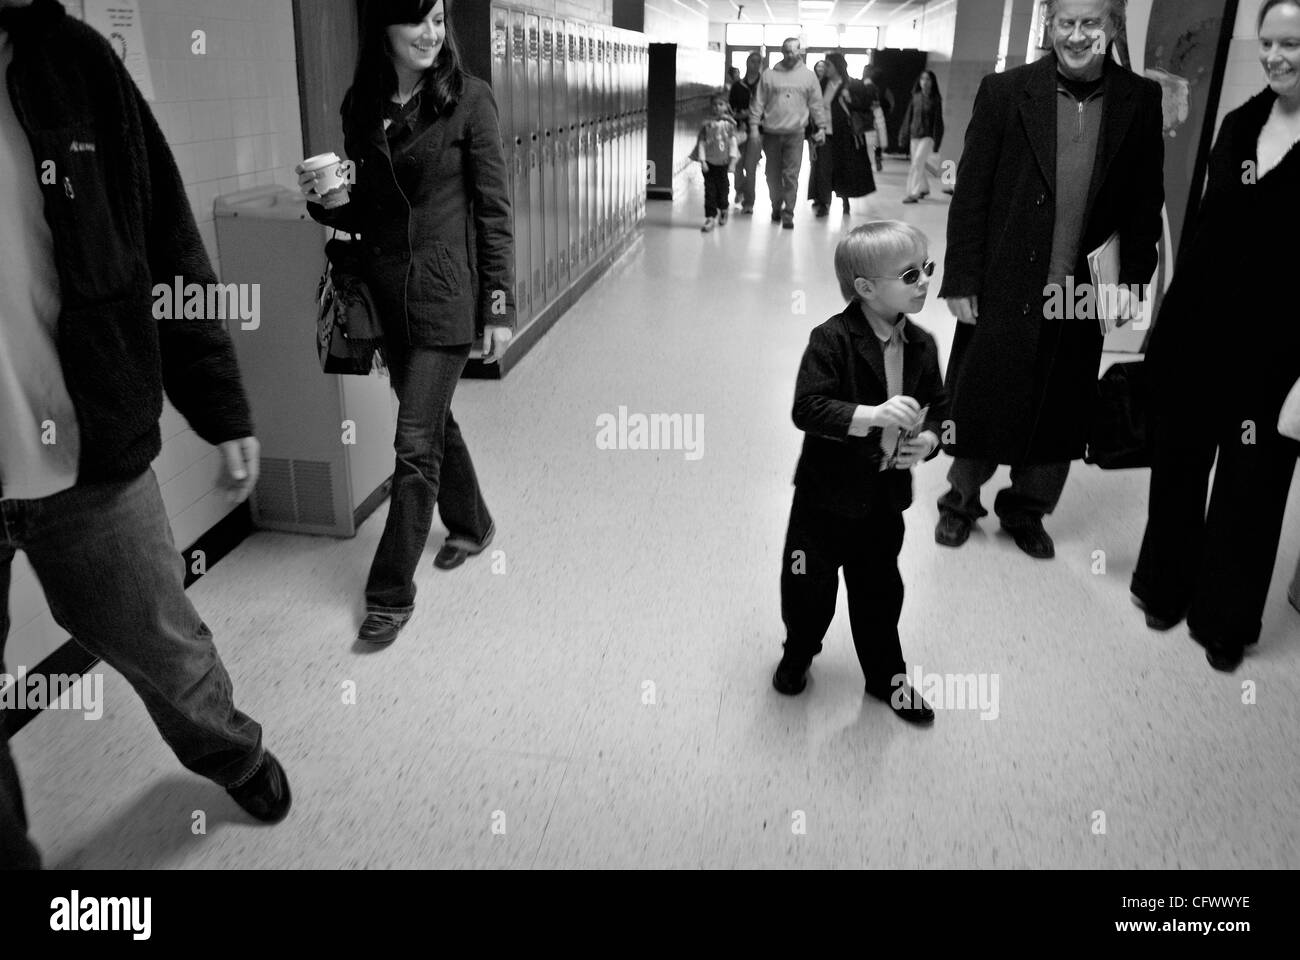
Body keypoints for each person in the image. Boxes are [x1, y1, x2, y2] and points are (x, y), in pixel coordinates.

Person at [0, 0, 290, 869]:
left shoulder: (73, 62)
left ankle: (231, 752)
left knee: (161, 641)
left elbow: (166, 236)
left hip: (89, 450)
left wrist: (219, 400)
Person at [297, 0, 515, 646]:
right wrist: (327, 204)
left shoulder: (469, 101)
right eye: (417, 19)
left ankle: (390, 591)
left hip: (446, 295)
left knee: (413, 442)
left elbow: (494, 210)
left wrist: (498, 305)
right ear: (384, 29)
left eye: (440, 20)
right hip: (387, 294)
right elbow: (366, 206)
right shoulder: (360, 105)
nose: (431, 33)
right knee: (435, 422)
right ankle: (474, 524)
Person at [935, 0, 1164, 559]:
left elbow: (1143, 198)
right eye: (1067, 22)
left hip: (1081, 290)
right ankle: (960, 502)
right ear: (1049, 26)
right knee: (984, 393)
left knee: (1060, 407)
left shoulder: (1139, 100)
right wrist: (962, 276)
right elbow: (972, 194)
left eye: (1091, 23)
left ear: (1111, 29)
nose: (1078, 36)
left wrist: (1133, 280)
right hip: (1005, 278)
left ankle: (1027, 510)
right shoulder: (1006, 92)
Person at [1131, 0, 1300, 671]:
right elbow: (1203, 233)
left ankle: (1226, 616)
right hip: (1199, 333)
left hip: (1279, 355)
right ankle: (1164, 585)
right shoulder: (1240, 123)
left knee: (1252, 486)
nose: (1277, 57)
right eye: (1268, 44)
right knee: (1177, 464)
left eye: (1293, 44)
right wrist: (1164, 333)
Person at [773, 222, 949, 724]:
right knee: (809, 586)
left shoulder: (922, 344)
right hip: (824, 500)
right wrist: (871, 415)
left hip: (884, 498)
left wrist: (931, 440)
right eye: (911, 273)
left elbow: (940, 406)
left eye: (927, 269)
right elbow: (807, 408)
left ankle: (885, 677)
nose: (924, 282)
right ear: (866, 288)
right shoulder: (831, 340)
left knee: (880, 593)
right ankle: (798, 653)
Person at [750, 37, 828, 230]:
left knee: (791, 175)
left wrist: (822, 127)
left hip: (796, 133)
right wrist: (753, 126)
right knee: (772, 174)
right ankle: (776, 205)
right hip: (772, 133)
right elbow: (758, 102)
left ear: (800, 52)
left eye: (793, 51)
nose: (790, 55)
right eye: (786, 51)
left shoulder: (808, 76)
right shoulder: (769, 75)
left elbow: (816, 105)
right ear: (781, 51)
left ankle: (788, 213)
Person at [808, 52, 877, 218]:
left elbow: (867, 105)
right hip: (824, 134)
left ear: (837, 67)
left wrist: (850, 100)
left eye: (828, 65)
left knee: (843, 168)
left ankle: (845, 201)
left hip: (844, 134)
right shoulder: (821, 84)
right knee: (823, 169)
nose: (825, 68)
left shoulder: (851, 85)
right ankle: (824, 203)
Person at [692, 91, 740, 232]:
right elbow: (701, 143)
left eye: (721, 104)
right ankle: (710, 217)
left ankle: (724, 209)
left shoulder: (729, 125)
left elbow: (733, 144)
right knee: (710, 191)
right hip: (709, 164)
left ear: (726, 106)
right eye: (714, 105)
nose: (717, 107)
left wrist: (732, 163)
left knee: (723, 189)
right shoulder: (706, 125)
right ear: (710, 107)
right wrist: (703, 161)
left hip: (724, 163)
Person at [900, 70, 945, 203]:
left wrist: (937, 141)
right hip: (915, 135)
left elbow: (938, 122)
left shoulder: (936, 100)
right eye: (922, 79)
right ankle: (924, 188)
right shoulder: (915, 97)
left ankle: (912, 193)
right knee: (918, 163)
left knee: (917, 162)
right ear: (919, 82)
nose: (925, 82)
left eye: (928, 79)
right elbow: (908, 117)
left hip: (928, 136)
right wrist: (904, 134)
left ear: (932, 82)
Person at [729, 51, 763, 214]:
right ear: (746, 63)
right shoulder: (737, 86)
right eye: (752, 61)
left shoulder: (764, 86)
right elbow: (730, 110)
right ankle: (739, 189)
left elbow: (768, 108)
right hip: (740, 131)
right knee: (737, 165)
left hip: (757, 132)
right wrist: (739, 117)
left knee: (750, 167)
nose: (754, 65)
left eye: (758, 62)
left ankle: (749, 201)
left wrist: (752, 114)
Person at [861, 67, 888, 172]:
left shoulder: (865, 86)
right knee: (875, 141)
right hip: (874, 119)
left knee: (868, 146)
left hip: (867, 121)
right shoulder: (879, 88)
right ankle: (876, 157)